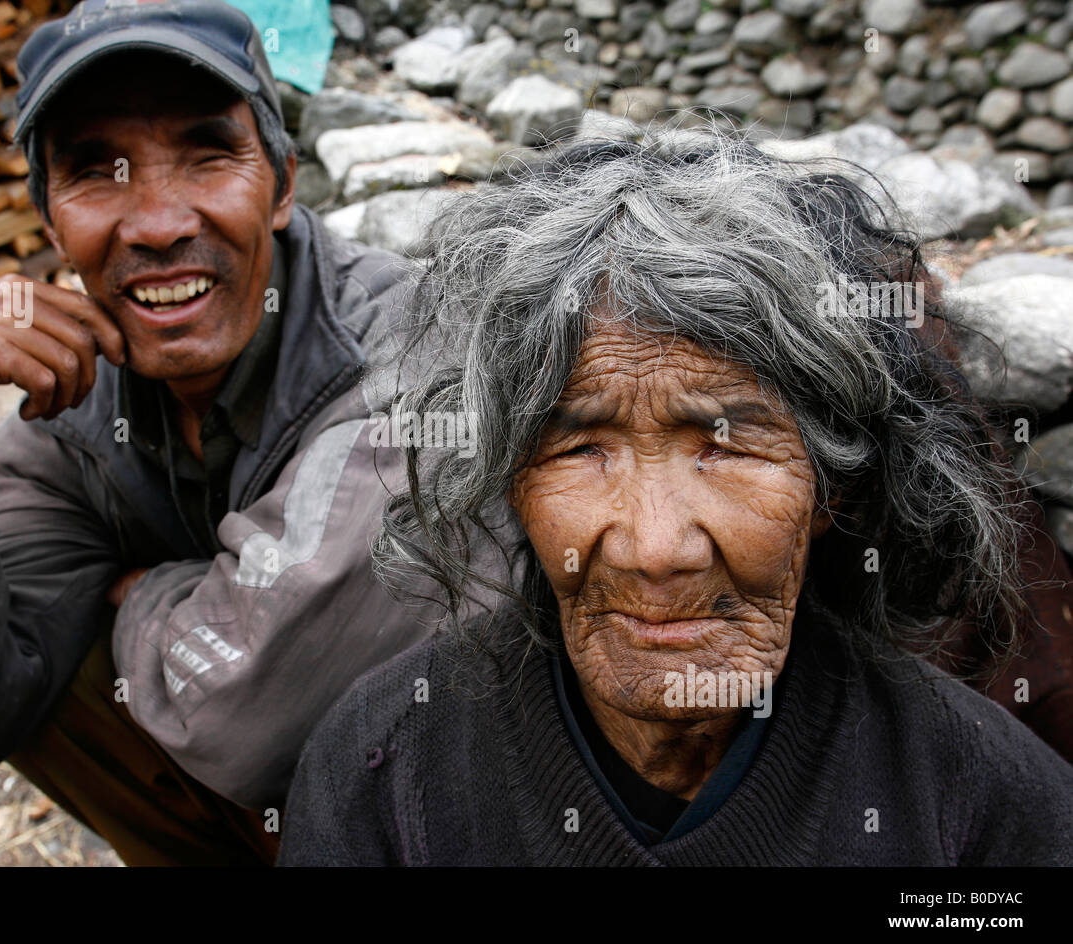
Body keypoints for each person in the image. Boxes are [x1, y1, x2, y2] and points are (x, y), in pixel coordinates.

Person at [277, 131, 1073, 866]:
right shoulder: (382, 769)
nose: (656, 549)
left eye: (725, 446)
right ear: (509, 480)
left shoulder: (983, 809)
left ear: (830, 484)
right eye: (582, 446)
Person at [0, 0, 436, 866]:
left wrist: (140, 595)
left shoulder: (404, 344)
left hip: (458, 824)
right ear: (50, 220)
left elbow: (260, 717)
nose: (158, 222)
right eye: (98, 171)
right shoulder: (73, 420)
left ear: (283, 185)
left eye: (208, 155)